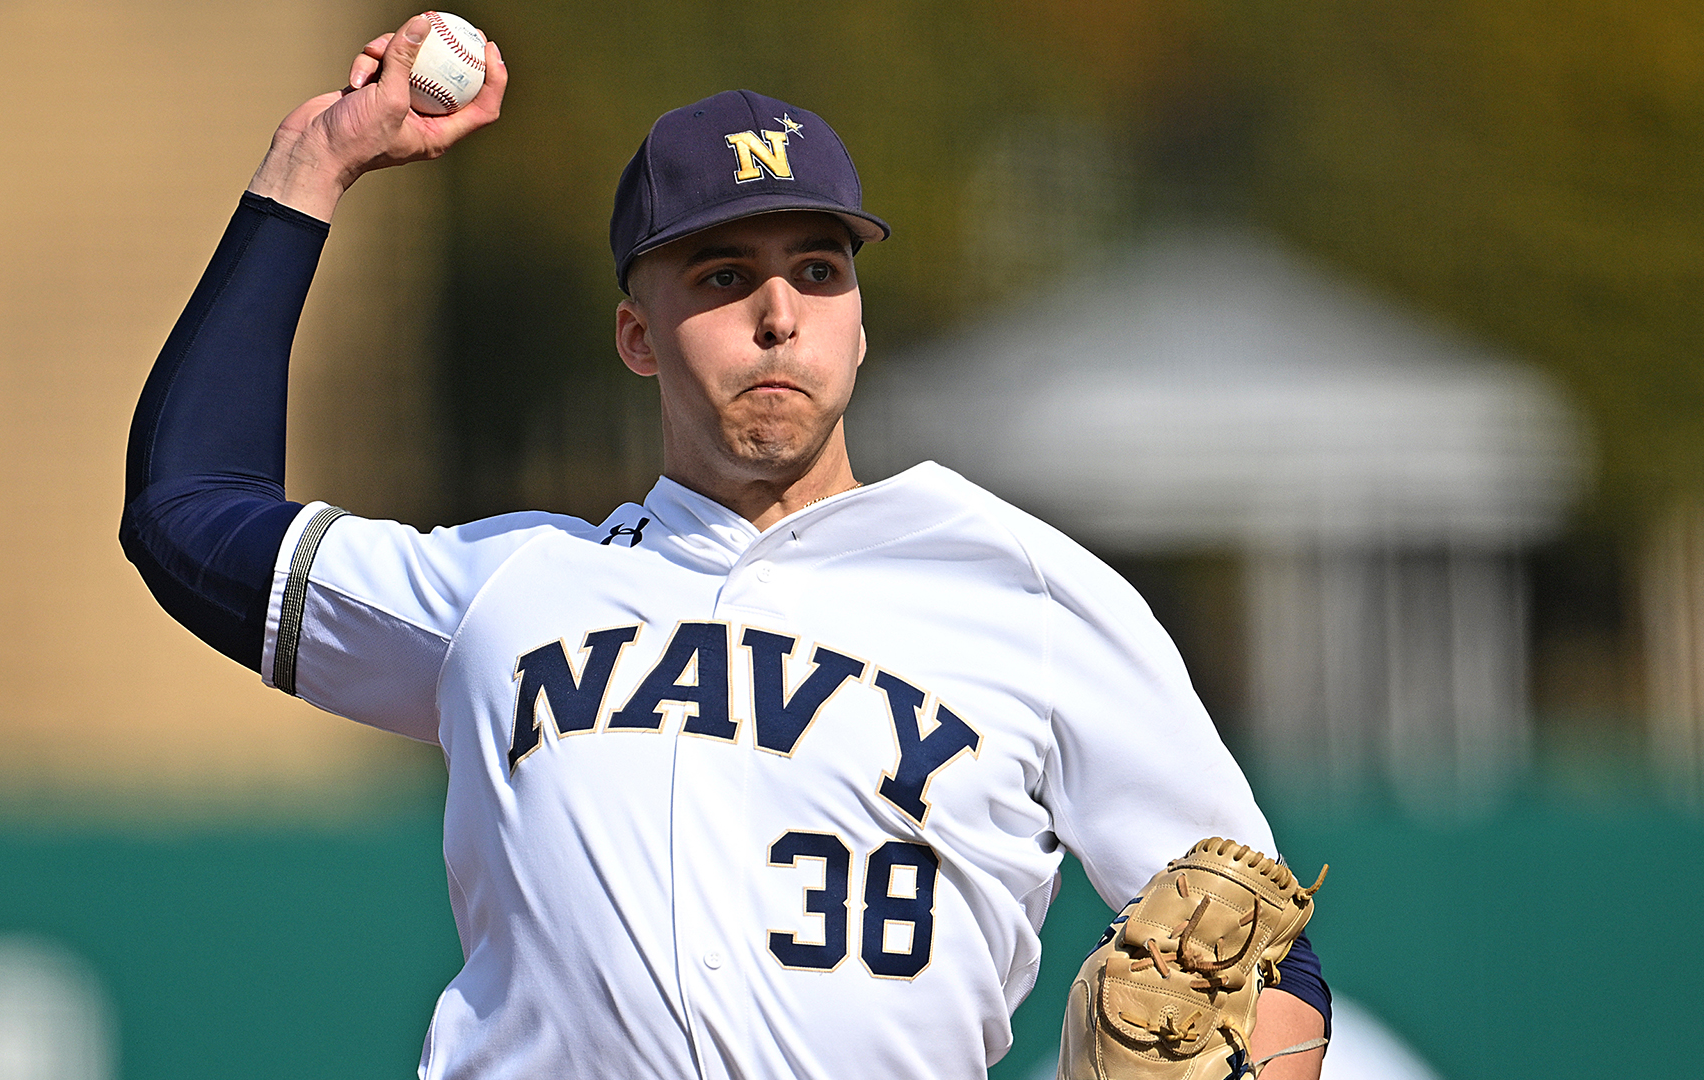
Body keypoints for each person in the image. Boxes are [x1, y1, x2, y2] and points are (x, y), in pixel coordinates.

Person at [120, 15, 1329, 1080]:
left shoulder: (1023, 592)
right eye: (722, 273)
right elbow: (186, 516)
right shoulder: (505, 590)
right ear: (637, 338)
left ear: (859, 324)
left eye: (819, 269)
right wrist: (313, 163)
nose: (779, 313)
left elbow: (1260, 954)